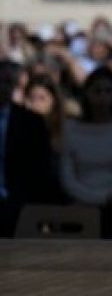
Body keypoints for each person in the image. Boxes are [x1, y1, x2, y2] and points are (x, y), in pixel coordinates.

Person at [59, 67, 112, 237]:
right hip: (81, 202)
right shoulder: (71, 129)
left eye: (108, 91)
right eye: (97, 90)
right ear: (87, 94)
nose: (103, 96)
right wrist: (91, 198)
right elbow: (67, 176)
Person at [0, 60, 59, 237]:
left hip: (17, 204)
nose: (3, 87)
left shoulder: (31, 122)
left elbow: (40, 172)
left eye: (8, 82)